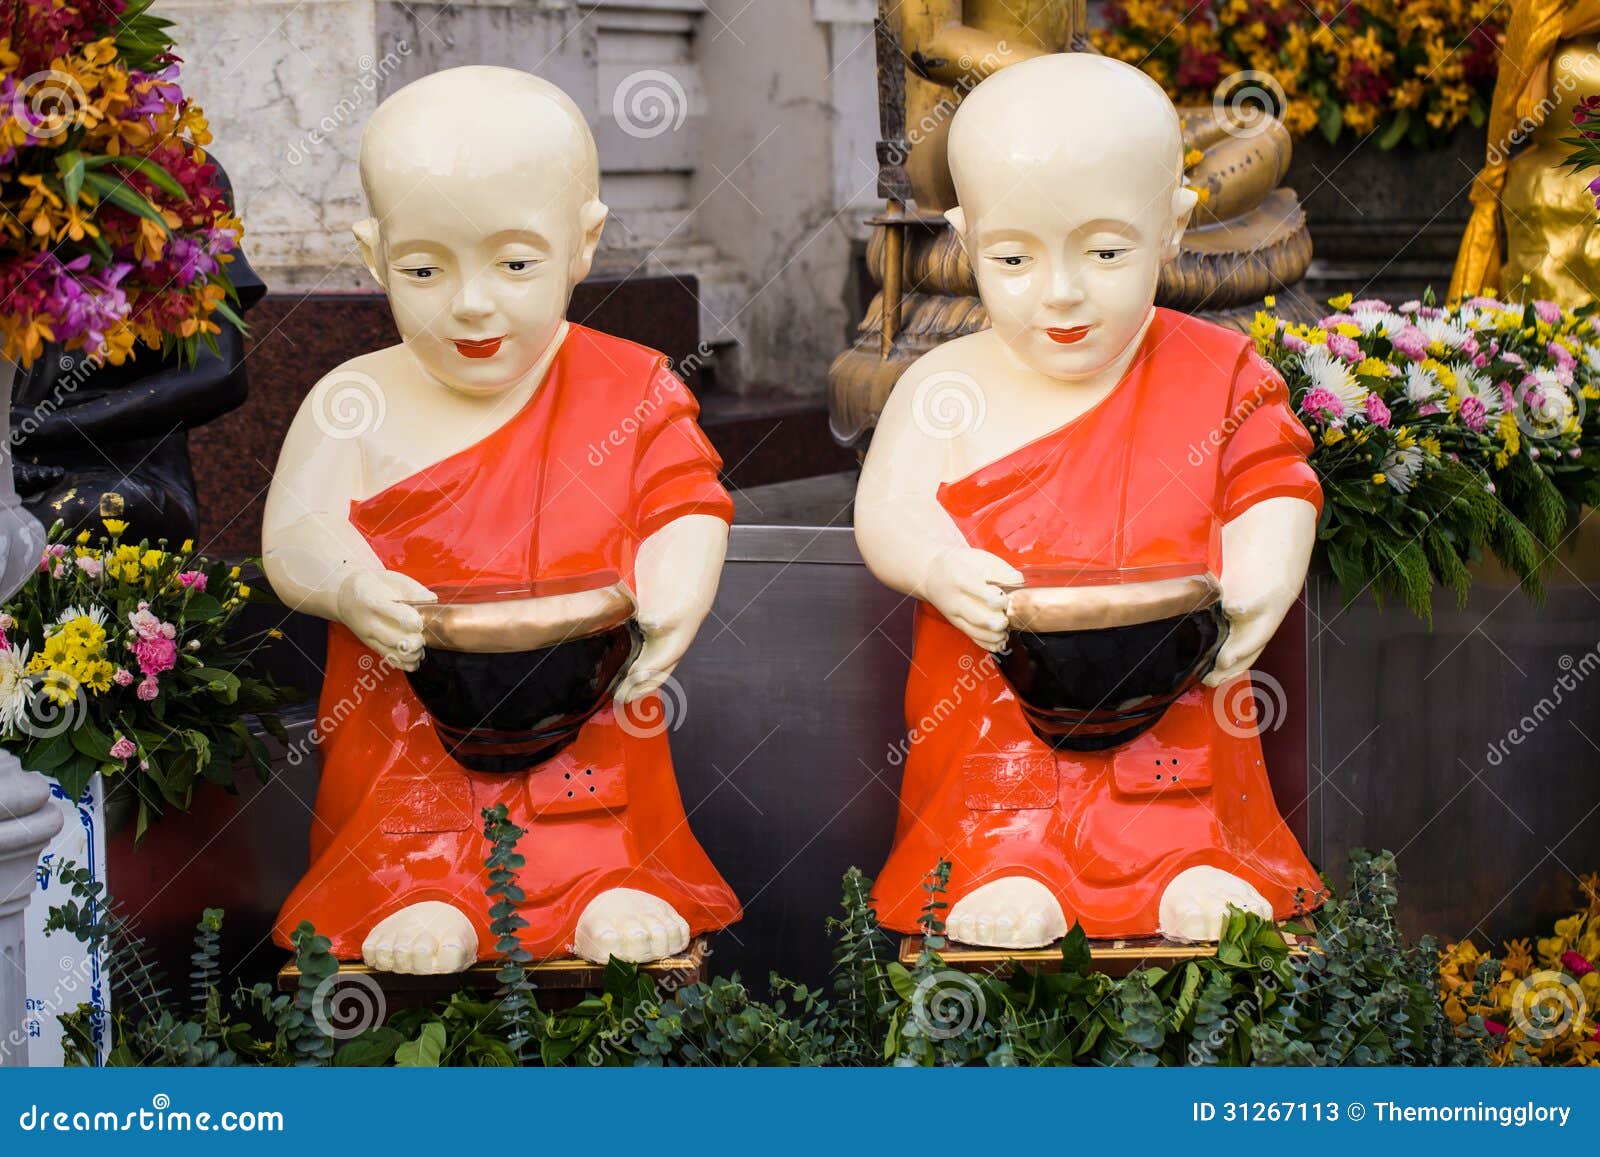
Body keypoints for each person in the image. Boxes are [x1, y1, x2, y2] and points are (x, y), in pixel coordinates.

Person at [263, 68, 739, 973]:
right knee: (409, 797)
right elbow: (295, 532)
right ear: (373, 255)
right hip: (410, 710)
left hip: (585, 694)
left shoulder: (630, 385)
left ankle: (604, 878)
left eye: (516, 263)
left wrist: (676, 588)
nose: (471, 303)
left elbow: (686, 499)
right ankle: (415, 882)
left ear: (583, 243)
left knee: (599, 780)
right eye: (423, 269)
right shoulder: (353, 400)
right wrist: (354, 585)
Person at [854, 54, 1323, 947]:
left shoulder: (1220, 375)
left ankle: (1188, 858)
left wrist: (1260, 578)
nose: (1061, 291)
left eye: (1107, 251)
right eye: (1014, 256)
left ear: (1174, 228)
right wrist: (936, 563)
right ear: (963, 234)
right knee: (999, 786)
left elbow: (1275, 479)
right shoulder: (943, 384)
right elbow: (889, 507)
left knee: (1183, 762)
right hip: (997, 685)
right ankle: (1005, 859)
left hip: (1172, 675)